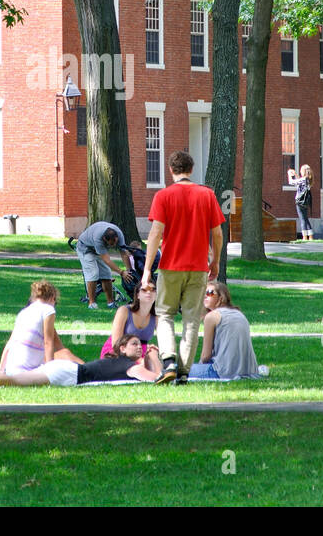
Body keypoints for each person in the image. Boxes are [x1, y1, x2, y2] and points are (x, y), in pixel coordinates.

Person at [143, 150, 225, 384]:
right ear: (191, 169)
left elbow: (156, 233)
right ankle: (184, 372)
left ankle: (168, 361)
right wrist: (215, 260)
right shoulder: (207, 195)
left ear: (171, 170)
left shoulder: (163, 196)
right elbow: (217, 234)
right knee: (192, 319)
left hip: (170, 266)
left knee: (165, 314)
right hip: (199, 268)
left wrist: (147, 269)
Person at [0, 333, 163, 388]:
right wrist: (154, 355)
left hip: (65, 370)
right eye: (134, 344)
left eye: (139, 345)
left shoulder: (124, 363)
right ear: (122, 348)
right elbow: (157, 379)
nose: (139, 347)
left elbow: (151, 374)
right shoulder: (128, 366)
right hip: (66, 373)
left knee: (14, 378)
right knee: (12, 380)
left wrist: (150, 355)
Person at [0, 280, 83, 375]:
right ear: (52, 298)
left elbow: (10, 344)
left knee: (64, 353)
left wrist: (1, 372)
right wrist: (51, 373)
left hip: (12, 371)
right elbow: (48, 342)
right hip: (28, 372)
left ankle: (87, 371)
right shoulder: (48, 310)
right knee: (64, 354)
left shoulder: (23, 313)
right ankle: (89, 372)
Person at [191, 280, 263, 380]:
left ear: (221, 297)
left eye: (209, 293)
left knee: (177, 369)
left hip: (222, 371)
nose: (205, 296)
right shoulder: (238, 314)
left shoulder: (212, 317)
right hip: (248, 370)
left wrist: (199, 368)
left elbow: (205, 356)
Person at [74, 220, 131, 309]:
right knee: (94, 273)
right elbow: (107, 260)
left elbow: (124, 253)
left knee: (106, 274)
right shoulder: (98, 238)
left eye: (115, 242)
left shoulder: (119, 233)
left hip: (97, 250)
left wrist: (129, 270)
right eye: (111, 244)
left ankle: (110, 303)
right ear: (105, 239)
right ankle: (92, 303)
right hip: (85, 248)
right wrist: (121, 272)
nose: (113, 245)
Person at [99, 278, 158, 359]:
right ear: (138, 295)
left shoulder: (156, 316)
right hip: (117, 353)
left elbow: (165, 341)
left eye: (153, 290)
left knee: (153, 355)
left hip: (140, 354)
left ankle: (169, 369)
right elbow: (116, 343)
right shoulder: (124, 311)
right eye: (144, 290)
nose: (149, 292)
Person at [292, 164, 315, 241]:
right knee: (306, 218)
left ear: (303, 171)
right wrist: (295, 175)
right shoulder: (308, 180)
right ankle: (310, 236)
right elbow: (300, 181)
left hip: (299, 201)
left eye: (301, 170)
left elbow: (291, 182)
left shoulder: (303, 179)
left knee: (302, 219)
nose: (300, 172)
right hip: (305, 202)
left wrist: (289, 174)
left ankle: (304, 237)